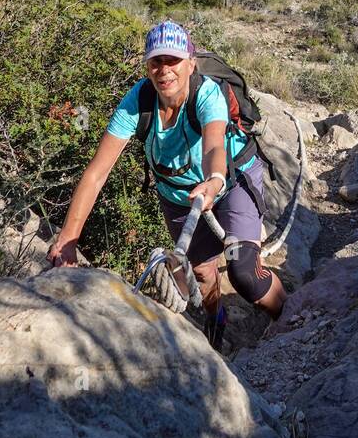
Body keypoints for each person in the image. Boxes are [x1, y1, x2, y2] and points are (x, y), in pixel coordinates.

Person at [48, 19, 286, 347]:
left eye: (173, 60)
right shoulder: (138, 102)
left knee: (242, 271)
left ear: (190, 64)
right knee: (202, 274)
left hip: (230, 180)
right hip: (178, 194)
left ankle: (289, 322)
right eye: (156, 61)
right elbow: (96, 173)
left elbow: (214, 144)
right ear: (147, 66)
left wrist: (214, 180)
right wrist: (67, 240)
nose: (164, 69)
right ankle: (217, 325)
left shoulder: (206, 94)